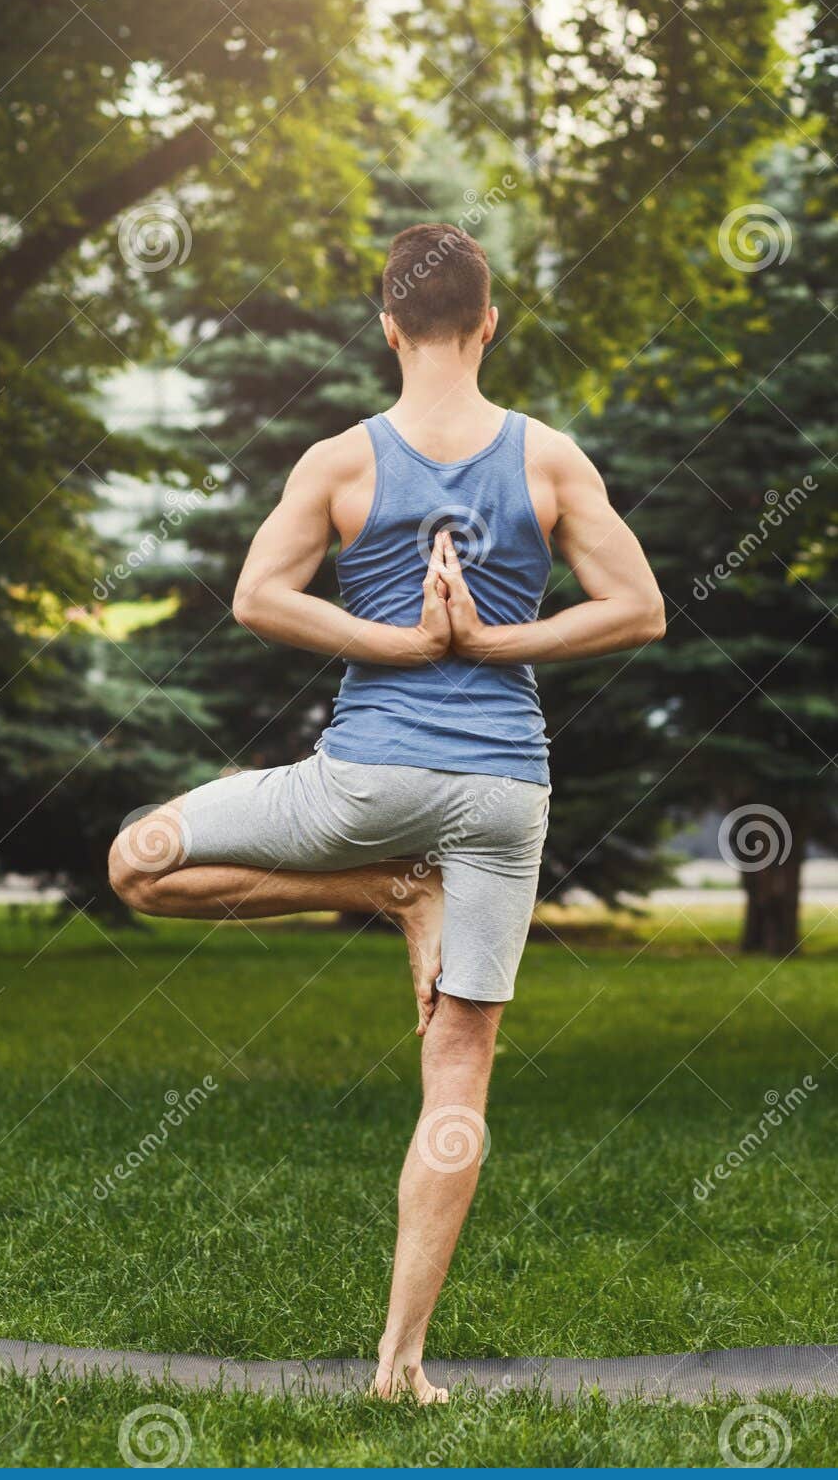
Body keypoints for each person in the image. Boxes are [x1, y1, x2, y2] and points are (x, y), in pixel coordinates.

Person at [108, 222, 665, 1403]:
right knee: (457, 1082)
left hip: (360, 780)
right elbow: (638, 607)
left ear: (384, 327)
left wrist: (395, 645)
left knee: (137, 863)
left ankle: (377, 881)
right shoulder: (548, 459)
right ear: (488, 323)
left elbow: (259, 596)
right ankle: (399, 1362)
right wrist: (484, 640)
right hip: (504, 793)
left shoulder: (339, 461)